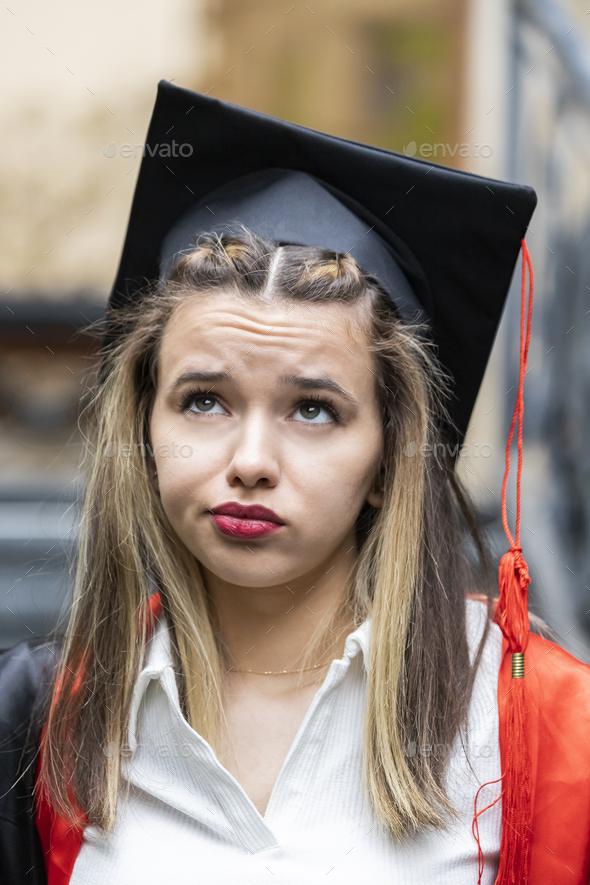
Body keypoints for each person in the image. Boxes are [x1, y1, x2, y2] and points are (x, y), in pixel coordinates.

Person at [1, 80, 590, 885]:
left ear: (391, 456)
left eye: (313, 410)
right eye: (203, 400)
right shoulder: (43, 722)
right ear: (144, 427)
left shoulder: (542, 729)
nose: (251, 459)